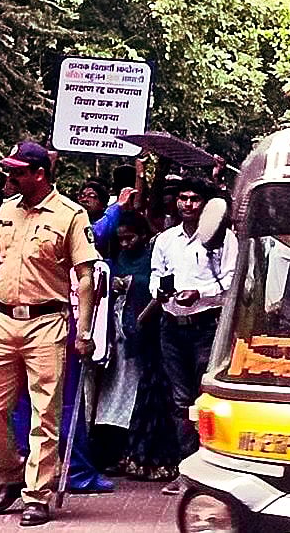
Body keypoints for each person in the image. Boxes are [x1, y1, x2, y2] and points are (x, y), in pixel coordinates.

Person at [0, 141, 100, 527]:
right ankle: (10, 474)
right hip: (2, 321)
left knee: (44, 411)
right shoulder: (6, 211)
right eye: (11, 170)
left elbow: (86, 276)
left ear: (39, 173)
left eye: (19, 171)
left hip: (47, 322)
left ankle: (37, 494)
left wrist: (83, 329)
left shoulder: (71, 214)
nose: (11, 176)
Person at [150, 177, 237, 496]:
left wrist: (199, 293)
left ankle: (211, 470)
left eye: (194, 199)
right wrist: (162, 292)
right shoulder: (166, 240)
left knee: (206, 399)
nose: (187, 204)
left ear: (206, 204)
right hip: (171, 325)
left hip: (206, 324)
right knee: (179, 400)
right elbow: (156, 275)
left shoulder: (224, 240)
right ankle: (186, 470)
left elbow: (231, 281)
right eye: (182, 198)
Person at [109, 214, 179, 481]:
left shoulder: (153, 256)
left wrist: (143, 315)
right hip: (125, 333)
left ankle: (160, 460)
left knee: (155, 395)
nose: (126, 244)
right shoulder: (120, 258)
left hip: (153, 332)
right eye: (121, 240)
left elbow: (160, 290)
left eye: (131, 238)